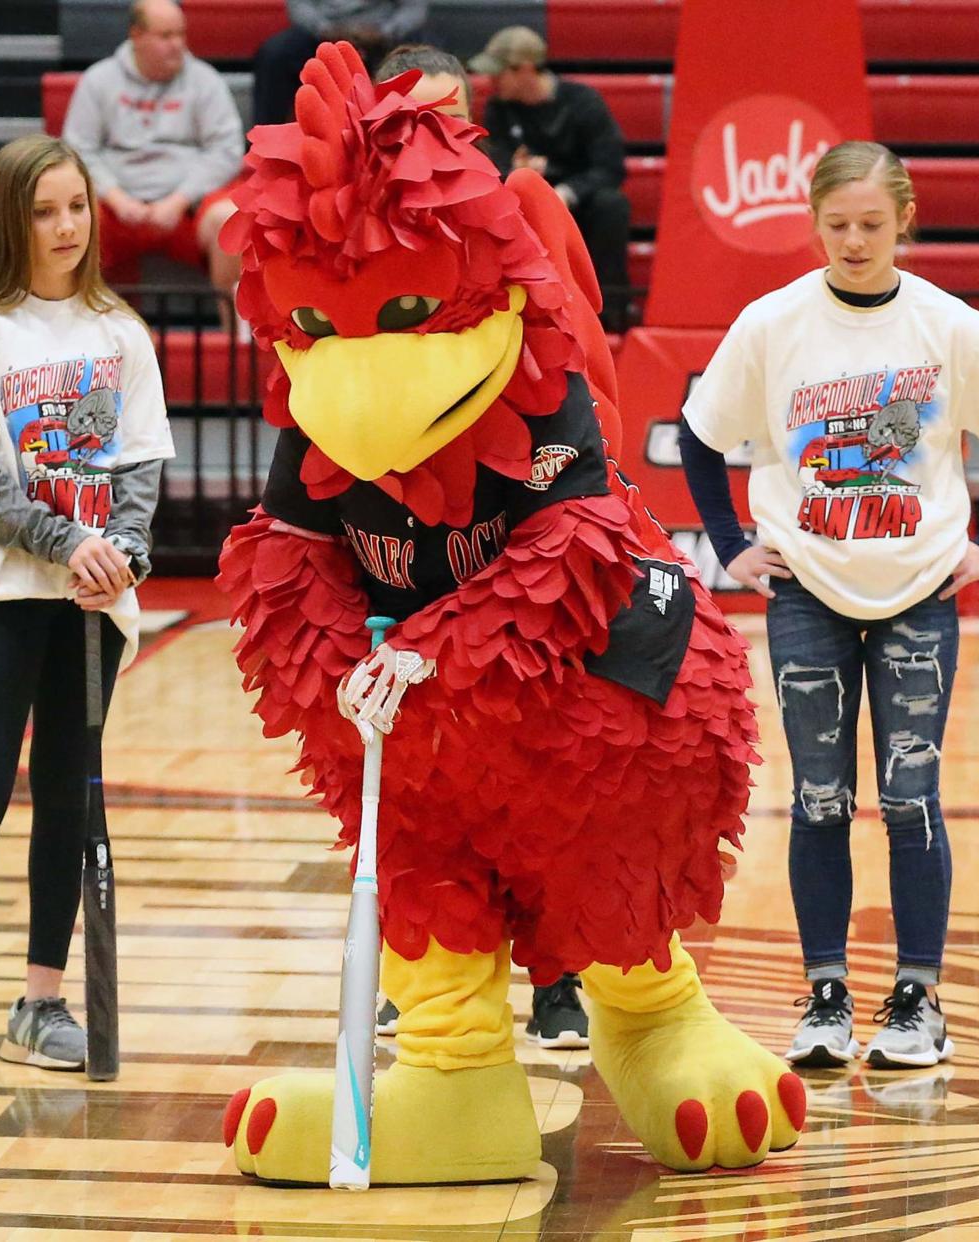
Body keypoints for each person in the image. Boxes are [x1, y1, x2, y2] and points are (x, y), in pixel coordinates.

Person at [680, 141, 979, 1070]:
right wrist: (732, 544)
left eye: (872, 225)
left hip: (920, 593)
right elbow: (699, 438)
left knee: (911, 797)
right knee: (818, 800)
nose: (853, 241)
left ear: (903, 222)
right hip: (806, 592)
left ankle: (919, 1001)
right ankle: (826, 996)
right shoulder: (771, 324)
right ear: (812, 223)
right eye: (837, 224)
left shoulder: (950, 325)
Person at [0, 134, 175, 1088]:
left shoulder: (119, 332)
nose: (65, 227)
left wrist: (124, 554)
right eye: (44, 210)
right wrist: (66, 542)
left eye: (77, 207)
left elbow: (139, 468)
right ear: (9, 219)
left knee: (67, 800)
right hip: (4, 595)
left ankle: (40, 1003)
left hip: (92, 604)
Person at [369, 41, 590, 1049]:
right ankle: (420, 974)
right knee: (416, 785)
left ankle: (558, 976)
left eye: (452, 116)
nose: (438, 138)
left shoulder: (518, 211)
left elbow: (570, 349)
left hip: (516, 515)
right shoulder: (354, 240)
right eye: (415, 119)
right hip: (402, 537)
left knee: (540, 773)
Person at [62, 0, 244, 324]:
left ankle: (235, 341)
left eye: (181, 34)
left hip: (187, 209)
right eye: (165, 36)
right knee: (68, 221)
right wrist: (116, 198)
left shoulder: (205, 80)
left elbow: (227, 150)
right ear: (137, 35)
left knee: (230, 219)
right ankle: (68, 334)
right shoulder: (99, 80)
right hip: (115, 207)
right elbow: (78, 149)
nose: (177, 45)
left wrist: (180, 199)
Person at [470, 26, 631, 332]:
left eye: (499, 73)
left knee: (612, 205)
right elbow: (493, 163)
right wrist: (516, 171)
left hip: (578, 200)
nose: (491, 81)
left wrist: (568, 191)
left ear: (525, 69)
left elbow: (610, 167)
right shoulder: (498, 109)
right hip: (525, 200)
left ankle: (611, 311)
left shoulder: (583, 102)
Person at [253, 0, 428, 126]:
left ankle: (420, 140)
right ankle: (267, 143)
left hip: (383, 30)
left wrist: (385, 32)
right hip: (323, 29)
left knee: (422, 56)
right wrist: (324, 29)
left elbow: (414, 7)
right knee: (274, 55)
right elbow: (299, 4)